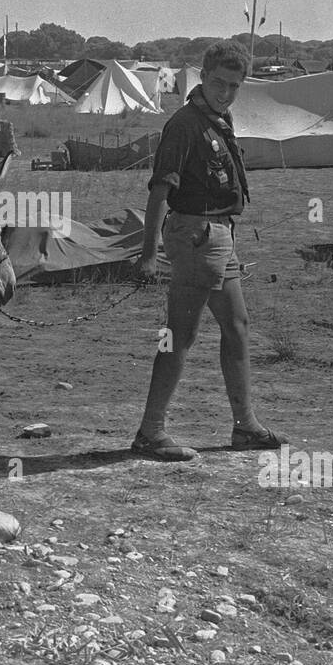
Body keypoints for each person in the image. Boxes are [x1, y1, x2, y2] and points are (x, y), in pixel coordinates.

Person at [129, 41, 282, 460]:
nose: (226, 92)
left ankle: (245, 426)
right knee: (180, 335)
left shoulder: (218, 119)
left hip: (219, 234)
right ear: (202, 75)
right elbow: (161, 190)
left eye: (235, 86)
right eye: (219, 83)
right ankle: (150, 432)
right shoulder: (184, 125)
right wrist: (147, 252)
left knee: (237, 326)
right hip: (197, 234)